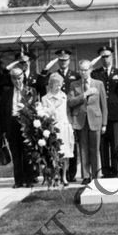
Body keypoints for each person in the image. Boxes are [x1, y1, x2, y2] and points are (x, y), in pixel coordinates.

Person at [38, 49, 81, 181]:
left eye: (65, 60)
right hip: (54, 123)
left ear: (69, 60)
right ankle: (56, 175)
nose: (63, 62)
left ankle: (70, 175)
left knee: (69, 151)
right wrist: (45, 69)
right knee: (55, 151)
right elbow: (40, 83)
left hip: (66, 119)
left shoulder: (75, 75)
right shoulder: (53, 74)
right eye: (60, 60)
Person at [68, 60, 107, 184]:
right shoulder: (74, 85)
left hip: (95, 120)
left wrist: (104, 123)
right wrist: (84, 94)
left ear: (91, 70)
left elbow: (103, 105)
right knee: (83, 149)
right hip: (80, 121)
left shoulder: (99, 84)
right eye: (81, 70)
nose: (83, 72)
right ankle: (86, 176)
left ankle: (96, 175)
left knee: (95, 149)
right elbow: (70, 102)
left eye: (85, 70)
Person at [0, 67, 38, 188]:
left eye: (19, 78)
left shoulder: (31, 90)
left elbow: (35, 109)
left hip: (26, 124)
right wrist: (5, 130)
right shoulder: (6, 93)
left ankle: (29, 179)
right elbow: (2, 112)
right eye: (14, 79)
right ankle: (18, 181)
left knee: (27, 153)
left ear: (23, 77)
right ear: (11, 79)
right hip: (12, 124)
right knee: (16, 154)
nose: (17, 81)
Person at [91, 45, 118, 178]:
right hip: (99, 112)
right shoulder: (96, 73)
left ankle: (115, 170)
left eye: (107, 56)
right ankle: (106, 171)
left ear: (112, 56)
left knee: (115, 143)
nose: (105, 59)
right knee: (103, 145)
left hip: (114, 112)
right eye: (103, 56)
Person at [41, 73, 74, 186]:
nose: (58, 87)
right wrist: (54, 107)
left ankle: (64, 176)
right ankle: (55, 176)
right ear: (51, 85)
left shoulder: (64, 96)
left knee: (65, 154)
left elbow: (68, 111)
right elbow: (45, 115)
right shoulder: (45, 98)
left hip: (64, 127)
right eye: (56, 85)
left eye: (60, 85)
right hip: (52, 129)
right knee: (54, 153)